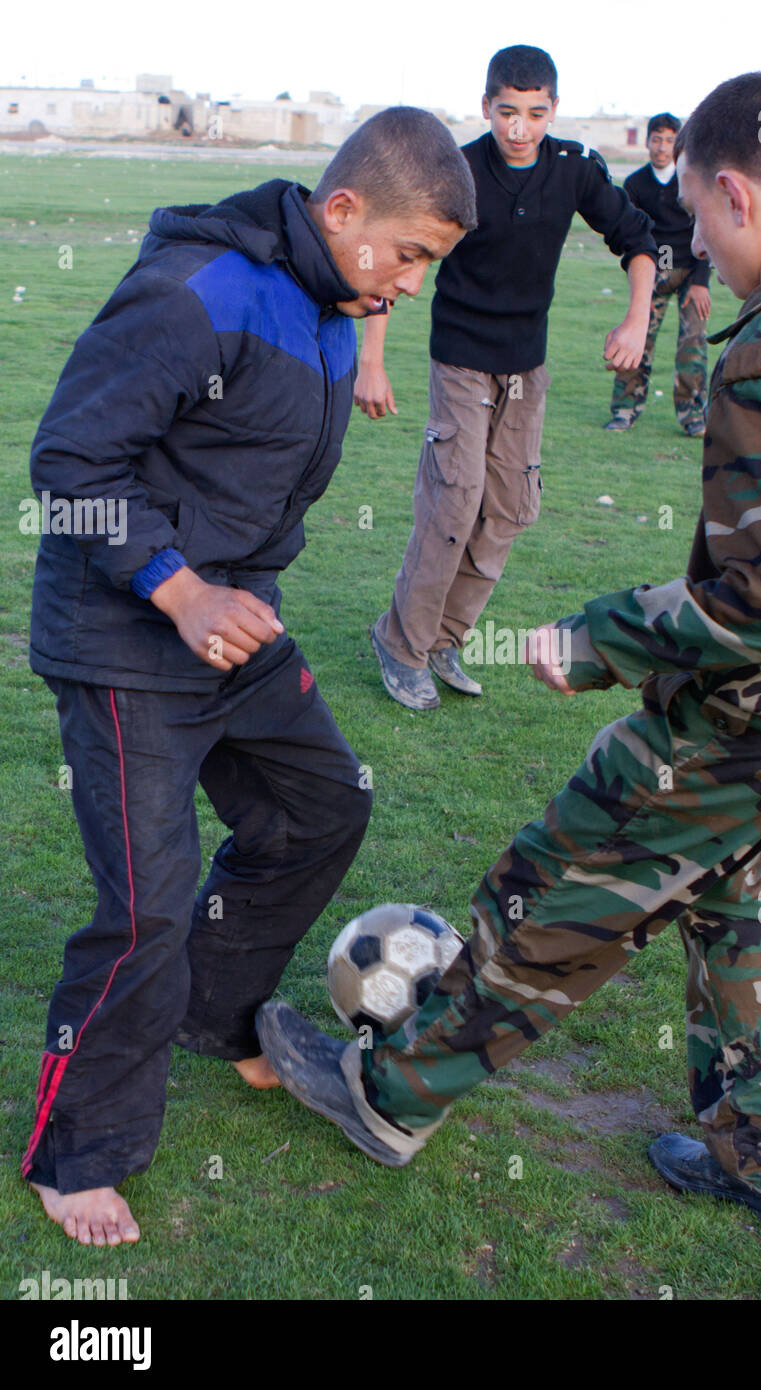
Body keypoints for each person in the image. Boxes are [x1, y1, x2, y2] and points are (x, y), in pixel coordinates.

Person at [257, 72, 761, 1228]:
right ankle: (760, 1148)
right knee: (726, 896)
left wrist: (595, 637)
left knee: (552, 887)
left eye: (696, 227)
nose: (696, 257)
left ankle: (386, 1092)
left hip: (755, 712)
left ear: (732, 192)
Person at [22, 107, 476, 1246]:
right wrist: (178, 588)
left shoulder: (335, 303)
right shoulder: (200, 289)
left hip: (237, 631)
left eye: (430, 264)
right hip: (129, 635)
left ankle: (218, 1009)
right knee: (146, 912)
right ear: (340, 212)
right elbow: (68, 465)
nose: (412, 284)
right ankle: (76, 1153)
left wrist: (231, 594)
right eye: (410, 254)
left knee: (324, 802)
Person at [361, 44, 658, 711]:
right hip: (461, 358)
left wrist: (636, 322)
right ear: (486, 106)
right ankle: (401, 644)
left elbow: (638, 243)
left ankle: (443, 638)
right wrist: (372, 362)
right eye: (507, 112)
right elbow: (398, 259)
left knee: (508, 509)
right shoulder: (458, 172)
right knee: (454, 501)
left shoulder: (575, 168)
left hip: (527, 364)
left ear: (553, 109)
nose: (519, 129)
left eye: (535, 113)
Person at [605, 112, 711, 436]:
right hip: (654, 272)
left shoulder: (691, 179)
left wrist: (701, 283)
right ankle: (625, 409)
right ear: (647, 142)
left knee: (692, 345)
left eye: (669, 140)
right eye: (656, 139)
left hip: (691, 273)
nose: (662, 147)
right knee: (638, 340)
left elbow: (705, 229)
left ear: (678, 143)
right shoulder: (636, 184)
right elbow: (634, 235)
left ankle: (693, 416)